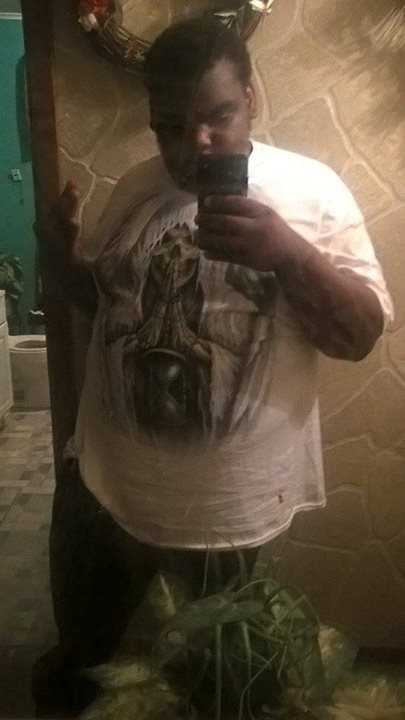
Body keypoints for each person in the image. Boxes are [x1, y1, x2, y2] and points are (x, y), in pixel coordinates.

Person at [33, 15, 393, 716]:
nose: (193, 144)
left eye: (216, 117)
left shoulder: (311, 192)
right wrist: (61, 257)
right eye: (169, 126)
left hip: (225, 519)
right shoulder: (136, 185)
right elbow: (111, 308)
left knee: (222, 694)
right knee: (79, 662)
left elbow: (358, 338)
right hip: (98, 487)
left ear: (250, 100)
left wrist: (290, 254)